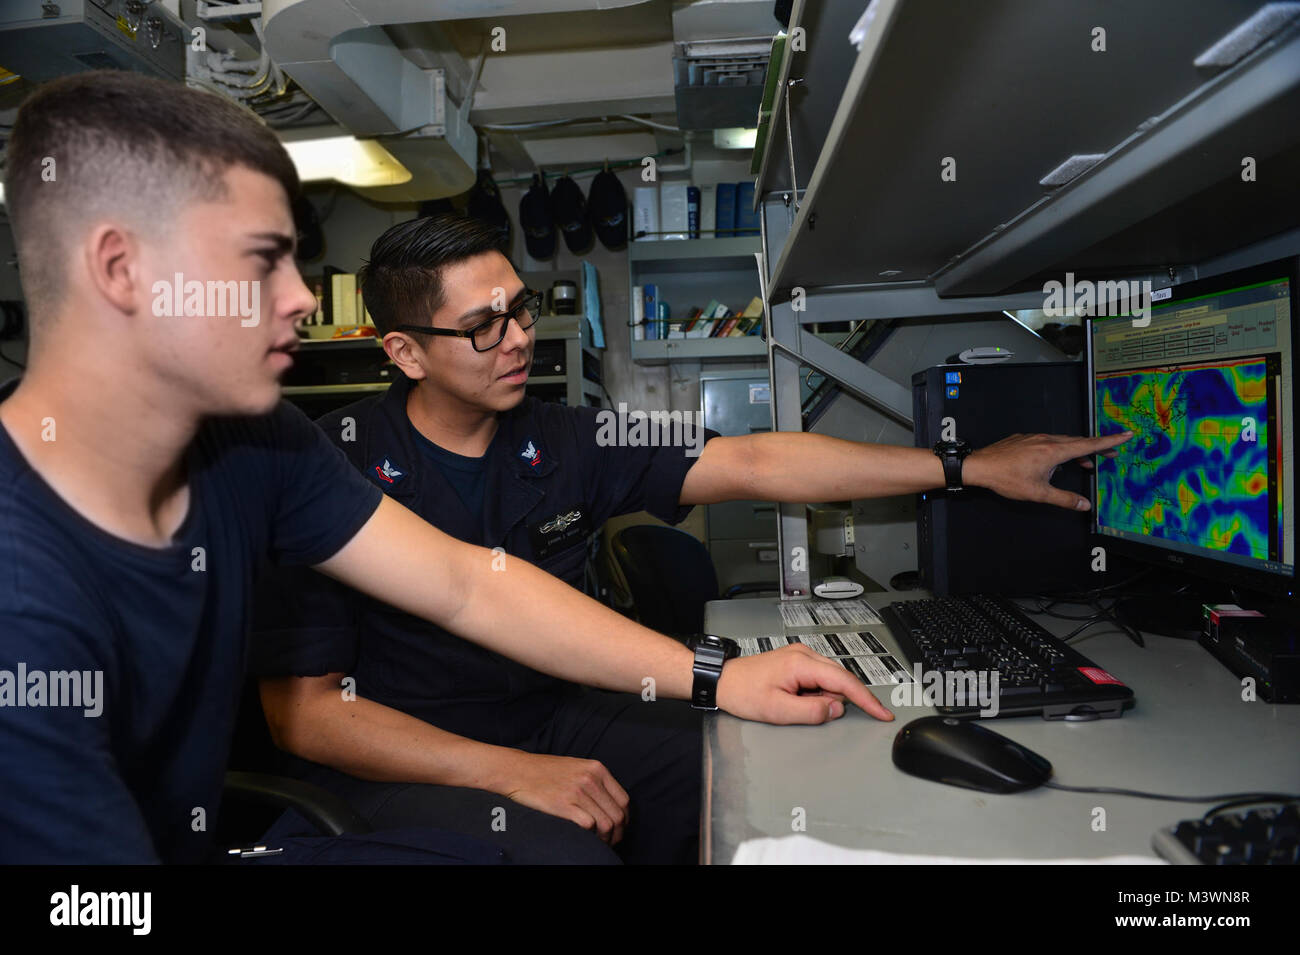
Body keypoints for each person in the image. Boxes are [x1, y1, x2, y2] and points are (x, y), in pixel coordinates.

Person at [0, 69, 974, 865]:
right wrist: (501, 769)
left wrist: (720, 676)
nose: (302, 298)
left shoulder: (258, 447)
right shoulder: (22, 594)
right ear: (121, 269)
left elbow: (469, 584)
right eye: (263, 261)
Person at [254, 213, 1132, 863]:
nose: (519, 338)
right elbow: (303, 714)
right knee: (565, 851)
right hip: (410, 751)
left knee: (735, 763)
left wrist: (965, 466)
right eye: (485, 328)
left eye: (520, 310)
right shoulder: (334, 473)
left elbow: (754, 461)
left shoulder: (565, 438)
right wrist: (505, 772)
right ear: (405, 353)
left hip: (553, 708)